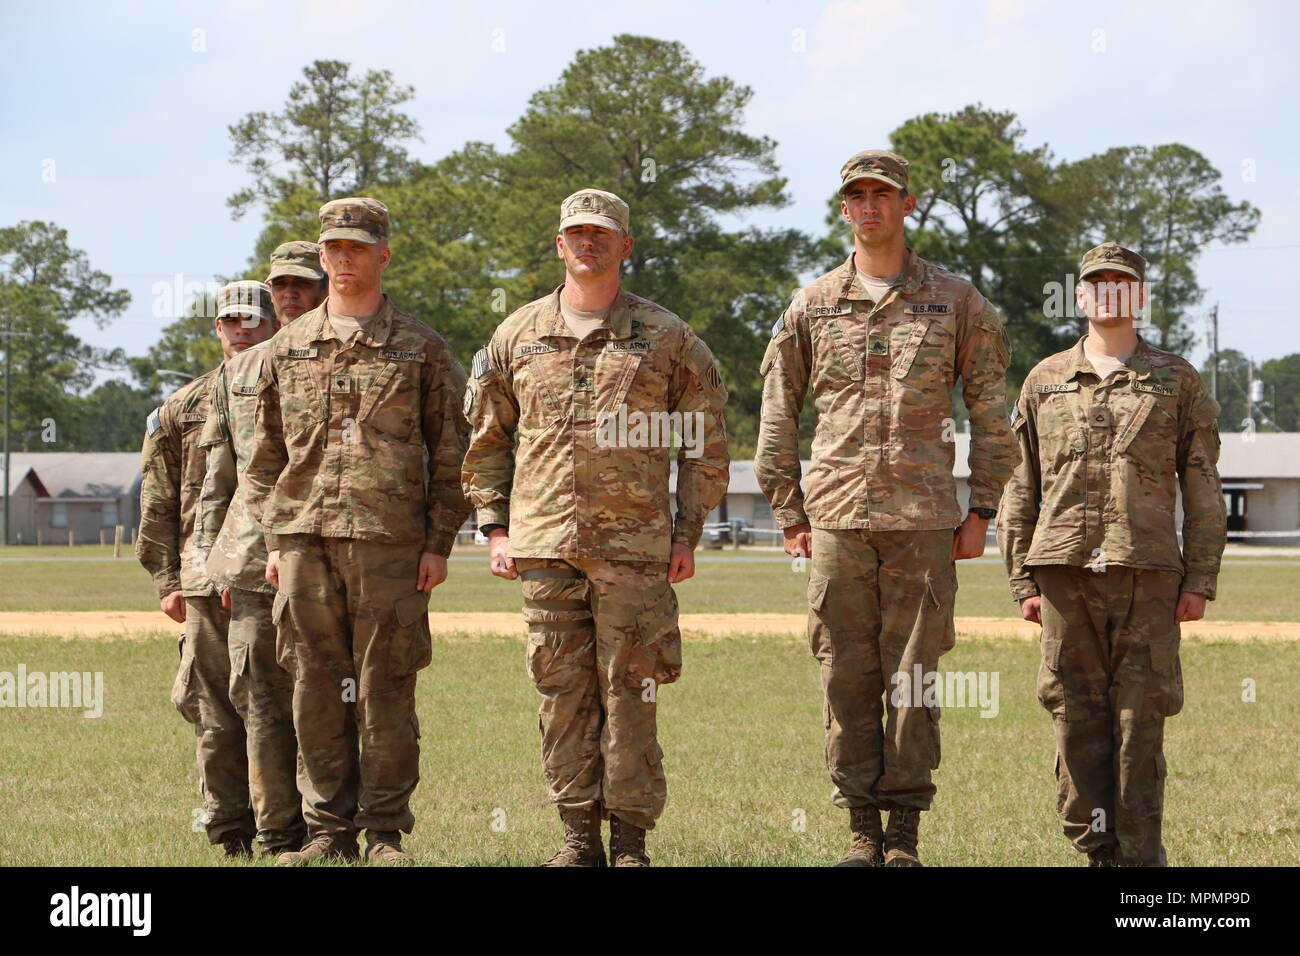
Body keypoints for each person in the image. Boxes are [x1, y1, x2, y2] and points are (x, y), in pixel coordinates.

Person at [755, 150, 1016, 866]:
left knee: (916, 676)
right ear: (844, 209)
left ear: (908, 204)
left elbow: (994, 413)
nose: (870, 206)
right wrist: (788, 510)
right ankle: (859, 830)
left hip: (926, 520)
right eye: (857, 196)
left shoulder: (956, 301)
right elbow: (778, 415)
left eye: (883, 194)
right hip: (836, 518)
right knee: (844, 670)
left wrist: (982, 510)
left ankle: (903, 832)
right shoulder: (811, 304)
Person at [461, 188, 729, 866]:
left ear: (625, 246)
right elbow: (488, 441)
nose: (588, 243)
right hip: (545, 546)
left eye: (602, 234)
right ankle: (578, 838)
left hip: (635, 552)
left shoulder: (667, 339)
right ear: (559, 245)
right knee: (562, 694)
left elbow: (705, 443)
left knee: (632, 692)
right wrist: (495, 527)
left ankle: (631, 840)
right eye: (576, 233)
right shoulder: (516, 336)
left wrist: (686, 532)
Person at [243, 198, 472, 866]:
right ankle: (327, 832)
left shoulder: (421, 347)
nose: (344, 260)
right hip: (304, 543)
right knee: (314, 685)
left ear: (382, 256)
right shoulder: (284, 348)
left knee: (387, 687)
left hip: (390, 544)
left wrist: (438, 541)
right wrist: (277, 542)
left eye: (357, 248)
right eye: (333, 249)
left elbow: (455, 450)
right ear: (321, 257)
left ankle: (383, 832)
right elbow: (263, 457)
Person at [998, 241, 1226, 866]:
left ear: (1141, 297)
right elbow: (1021, 485)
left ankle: (1141, 865)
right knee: (1075, 720)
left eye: (1122, 284)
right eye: (1096, 283)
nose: (1109, 294)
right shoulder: (1044, 380)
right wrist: (1023, 581)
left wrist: (1201, 576)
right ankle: (1096, 853)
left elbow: (1202, 483)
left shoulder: (1176, 380)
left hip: (1147, 575)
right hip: (1064, 575)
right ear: (1078, 296)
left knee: (1140, 723)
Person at [137, 279, 278, 856]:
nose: (241, 330)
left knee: (273, 707)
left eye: (252, 320)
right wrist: (167, 580)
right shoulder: (183, 405)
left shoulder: (288, 390)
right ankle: (228, 829)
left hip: (270, 575)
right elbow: (158, 497)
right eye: (230, 321)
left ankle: (283, 827)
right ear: (217, 328)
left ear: (274, 323)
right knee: (215, 714)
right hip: (199, 580)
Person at [194, 244, 326, 856]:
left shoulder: (362, 357)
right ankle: (277, 832)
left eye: (305, 285)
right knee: (263, 700)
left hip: (336, 555)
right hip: (251, 561)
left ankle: (337, 828)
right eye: (282, 287)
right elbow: (221, 479)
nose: (292, 297)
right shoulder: (239, 374)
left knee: (334, 697)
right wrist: (209, 563)